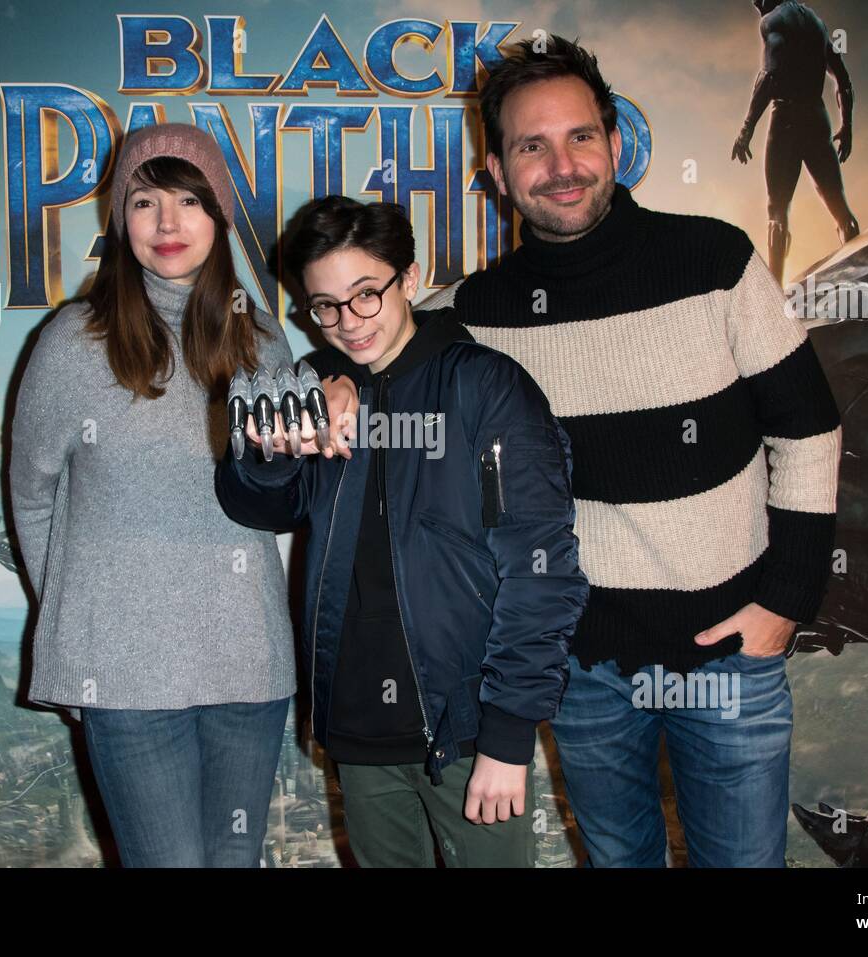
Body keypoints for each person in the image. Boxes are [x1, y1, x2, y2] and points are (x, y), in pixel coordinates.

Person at [325, 35, 844, 867]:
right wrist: (330, 382)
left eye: (580, 137)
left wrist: (787, 599)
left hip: (732, 656)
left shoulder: (716, 260)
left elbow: (809, 430)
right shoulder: (477, 314)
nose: (561, 165)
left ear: (614, 144)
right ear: (496, 171)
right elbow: (366, 333)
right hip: (586, 672)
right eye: (532, 145)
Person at [215, 195, 588, 867]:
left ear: (409, 278)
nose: (346, 322)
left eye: (365, 295)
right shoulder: (318, 389)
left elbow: (544, 567)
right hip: (356, 728)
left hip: (469, 729)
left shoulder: (487, 385)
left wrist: (507, 734)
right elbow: (261, 506)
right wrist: (272, 451)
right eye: (323, 305)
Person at [9, 123, 335, 867]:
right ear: (119, 218)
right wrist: (71, 629)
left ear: (219, 216)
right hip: (123, 670)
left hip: (247, 663)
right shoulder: (73, 342)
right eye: (144, 200)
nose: (166, 223)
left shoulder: (263, 343)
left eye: (189, 200)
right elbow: (31, 496)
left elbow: (277, 504)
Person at [731, 0, 860, 284]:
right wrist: (846, 124)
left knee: (777, 209)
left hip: (786, 117)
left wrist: (746, 128)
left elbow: (770, 75)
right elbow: (843, 79)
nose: (756, 7)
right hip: (817, 116)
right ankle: (859, 280)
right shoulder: (816, 22)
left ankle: (776, 291)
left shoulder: (773, 20)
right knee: (839, 206)